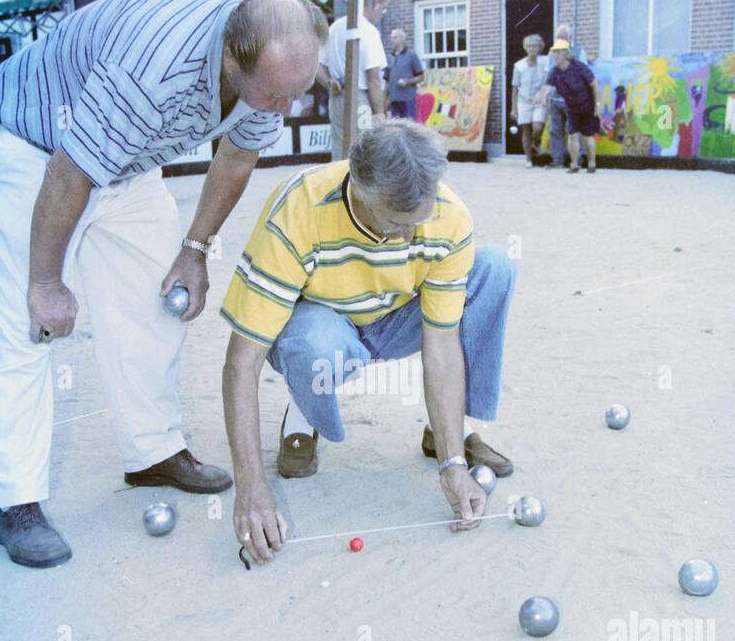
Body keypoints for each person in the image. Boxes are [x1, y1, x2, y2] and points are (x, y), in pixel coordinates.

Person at [0, 0, 327, 568]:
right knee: (22, 320)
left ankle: (152, 453)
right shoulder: (154, 67)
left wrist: (195, 249)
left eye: (297, 92)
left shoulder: (272, 68)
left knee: (157, 300)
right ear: (232, 59)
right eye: (275, 94)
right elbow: (68, 174)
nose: (285, 108)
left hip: (128, 160)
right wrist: (45, 283)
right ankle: (17, 501)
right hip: (38, 145)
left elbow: (235, 156)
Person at [221, 120, 516, 565]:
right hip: (323, 327)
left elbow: (441, 347)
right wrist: (251, 488)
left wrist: (453, 465)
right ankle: (305, 410)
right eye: (399, 224)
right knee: (316, 343)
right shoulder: (298, 206)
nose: (413, 236)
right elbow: (242, 362)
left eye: (422, 219)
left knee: (493, 267)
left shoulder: (447, 214)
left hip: (396, 318)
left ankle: (449, 431)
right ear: (359, 192)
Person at [317, 0, 389, 158]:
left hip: (336, 97)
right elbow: (373, 79)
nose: (381, 14)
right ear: (375, 4)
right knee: (364, 152)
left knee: (339, 150)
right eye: (383, 9)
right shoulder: (369, 31)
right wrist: (380, 113)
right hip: (360, 99)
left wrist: (328, 83)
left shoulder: (335, 27)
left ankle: (339, 183)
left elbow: (317, 65)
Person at [537, 41, 600, 174]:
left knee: (588, 136)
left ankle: (592, 163)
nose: (554, 55)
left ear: (565, 53)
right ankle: (574, 165)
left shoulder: (579, 67)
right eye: (554, 52)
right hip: (571, 107)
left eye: (557, 52)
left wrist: (598, 104)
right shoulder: (554, 71)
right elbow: (547, 87)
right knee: (572, 135)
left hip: (587, 105)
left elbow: (595, 85)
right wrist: (542, 97)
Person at [544, 25, 587, 169]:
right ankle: (557, 160)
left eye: (563, 37)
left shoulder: (579, 52)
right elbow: (549, 73)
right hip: (555, 99)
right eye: (559, 37)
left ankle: (578, 159)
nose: (560, 39)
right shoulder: (552, 53)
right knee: (555, 130)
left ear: (570, 38)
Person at [510, 34, 548, 167]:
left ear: (540, 48)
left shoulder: (545, 62)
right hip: (524, 101)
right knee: (526, 129)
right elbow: (515, 88)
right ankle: (528, 159)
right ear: (526, 48)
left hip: (539, 101)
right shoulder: (519, 66)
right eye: (529, 46)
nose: (532, 49)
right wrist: (513, 108)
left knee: (537, 127)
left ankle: (536, 141)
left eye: (535, 46)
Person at [385, 27, 424, 118]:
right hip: (393, 101)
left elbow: (421, 76)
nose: (392, 40)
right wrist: (384, 101)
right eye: (391, 37)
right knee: (396, 129)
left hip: (408, 100)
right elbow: (387, 81)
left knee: (410, 128)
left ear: (402, 39)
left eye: (395, 37)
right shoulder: (389, 57)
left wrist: (407, 81)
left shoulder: (411, 55)